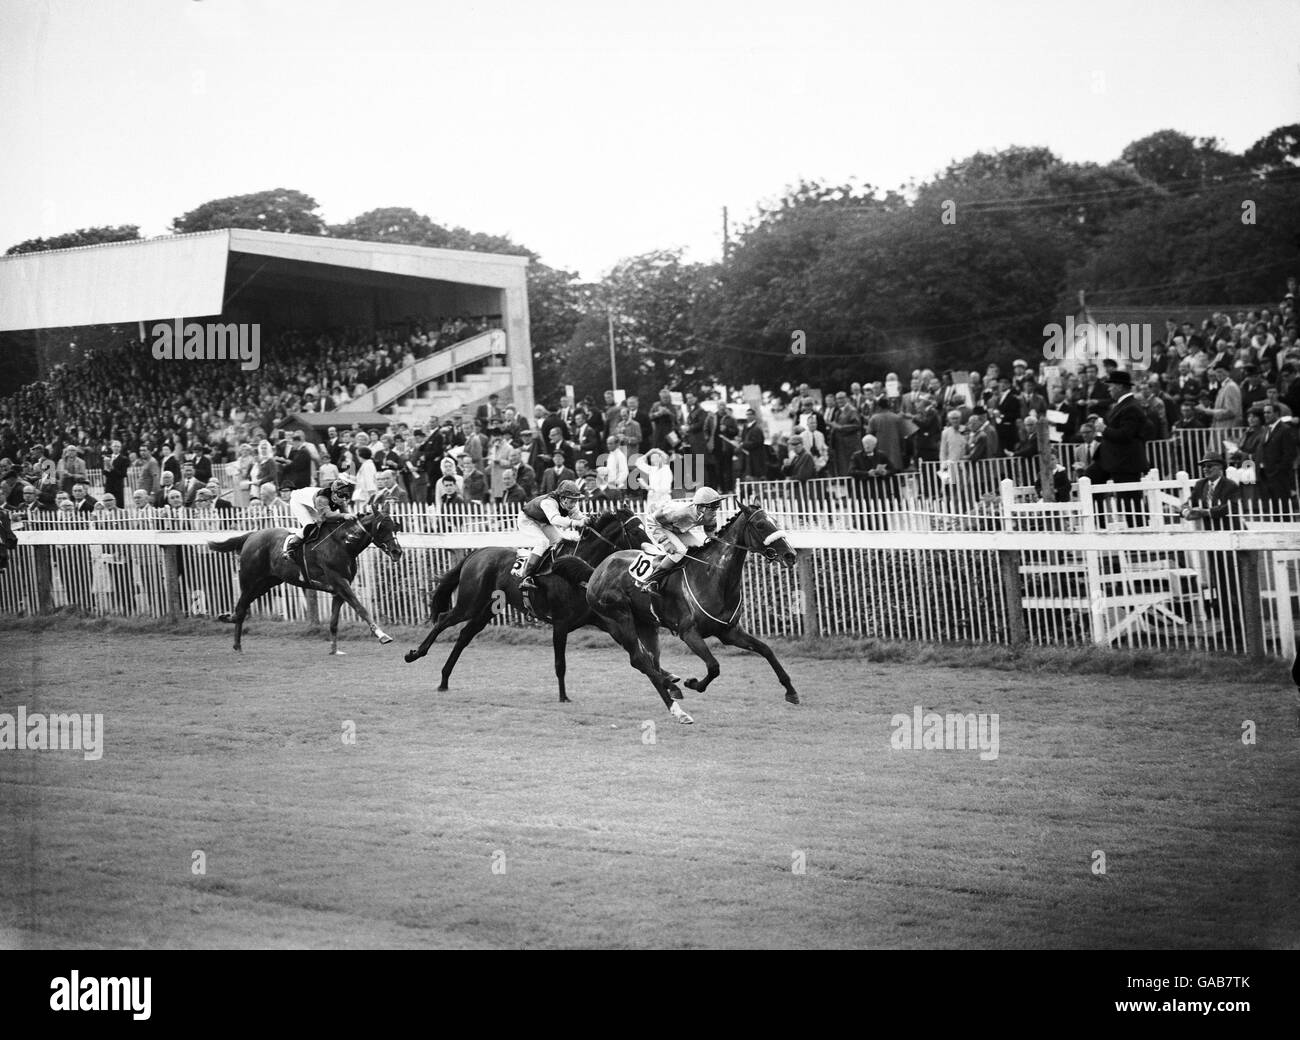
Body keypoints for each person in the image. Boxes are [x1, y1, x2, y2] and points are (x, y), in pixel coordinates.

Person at [634, 485, 722, 592]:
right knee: (680, 551)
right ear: (701, 508)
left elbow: (712, 536)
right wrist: (666, 542)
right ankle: (650, 580)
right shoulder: (679, 512)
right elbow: (651, 521)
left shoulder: (710, 518)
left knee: (700, 549)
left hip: (676, 528)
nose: (715, 513)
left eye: (716, 508)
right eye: (712, 509)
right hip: (658, 525)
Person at [282, 477, 356, 583]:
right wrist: (345, 515)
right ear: (334, 493)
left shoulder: (340, 499)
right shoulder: (322, 499)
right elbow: (328, 515)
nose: (344, 499)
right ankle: (291, 546)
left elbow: (345, 518)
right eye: (341, 495)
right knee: (310, 524)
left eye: (346, 496)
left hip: (311, 503)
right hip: (298, 502)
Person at [516, 479, 587, 590]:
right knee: (543, 542)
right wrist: (575, 523)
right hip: (527, 520)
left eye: (576, 500)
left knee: (559, 541)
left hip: (543, 521)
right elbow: (555, 519)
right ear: (563, 498)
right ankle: (526, 576)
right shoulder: (549, 502)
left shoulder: (568, 503)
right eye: (572, 501)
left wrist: (586, 520)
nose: (574, 504)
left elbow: (578, 515)